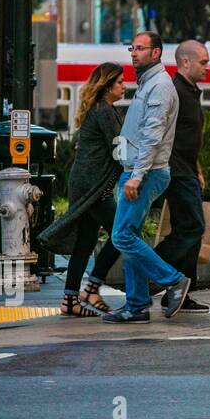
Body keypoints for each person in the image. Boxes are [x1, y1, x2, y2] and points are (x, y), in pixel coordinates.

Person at [102, 31, 191, 324]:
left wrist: (136, 176)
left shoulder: (160, 87)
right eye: (132, 48)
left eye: (140, 49)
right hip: (138, 171)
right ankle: (137, 305)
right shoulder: (148, 84)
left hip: (146, 173)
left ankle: (173, 280)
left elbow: (152, 137)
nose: (133, 53)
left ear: (156, 53)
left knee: (122, 235)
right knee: (131, 236)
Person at [41, 63, 125, 317]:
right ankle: (93, 286)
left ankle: (70, 300)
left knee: (85, 242)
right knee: (123, 232)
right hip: (94, 187)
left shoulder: (98, 109)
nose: (124, 86)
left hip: (84, 182)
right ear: (107, 86)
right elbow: (119, 148)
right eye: (119, 82)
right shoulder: (104, 111)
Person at [151, 40, 210, 312]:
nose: (207, 67)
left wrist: (198, 168)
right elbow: (163, 133)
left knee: (187, 230)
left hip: (187, 169)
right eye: (203, 62)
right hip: (175, 170)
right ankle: (151, 268)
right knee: (193, 227)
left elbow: (189, 137)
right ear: (185, 62)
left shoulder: (190, 91)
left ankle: (179, 294)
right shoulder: (175, 92)